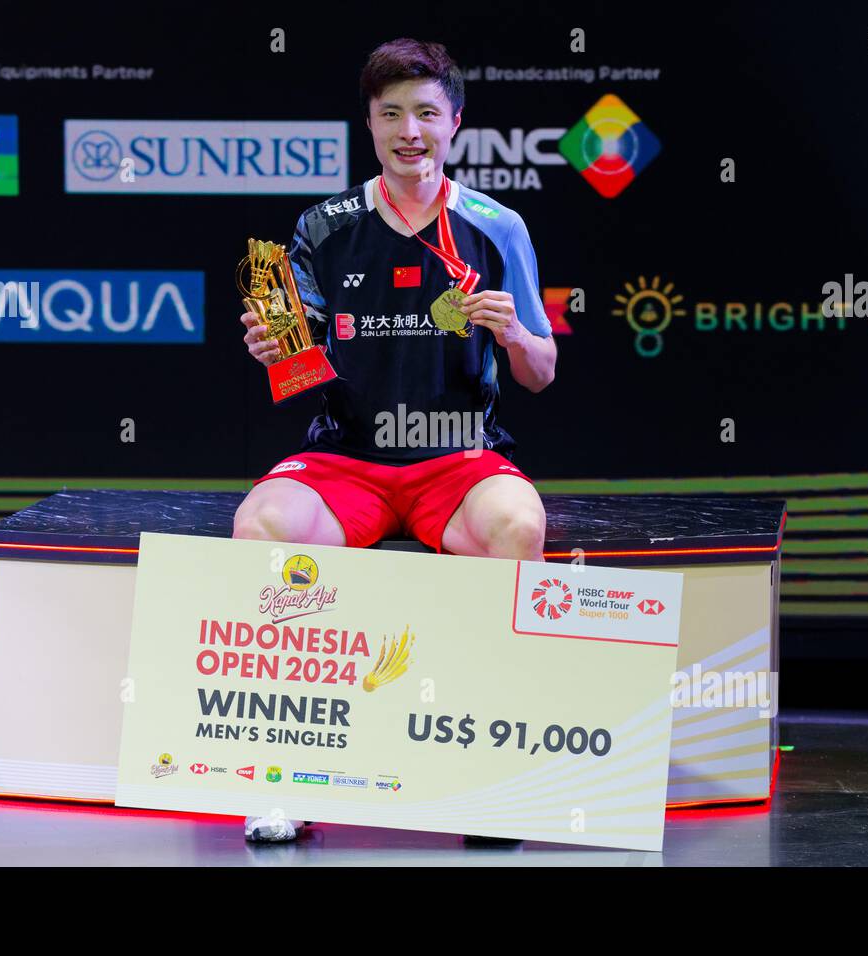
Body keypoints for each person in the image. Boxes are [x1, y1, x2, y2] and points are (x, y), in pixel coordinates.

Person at [235, 38, 556, 843]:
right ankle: (284, 778)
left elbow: (543, 372)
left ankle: (493, 775)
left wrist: (516, 332)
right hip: (346, 457)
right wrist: (276, 349)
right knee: (261, 526)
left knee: (519, 528)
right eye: (390, 115)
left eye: (425, 113)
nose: (408, 131)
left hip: (459, 457)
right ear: (370, 124)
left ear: (454, 122)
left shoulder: (496, 225)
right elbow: (299, 359)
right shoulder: (323, 226)